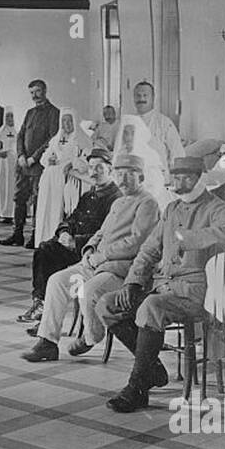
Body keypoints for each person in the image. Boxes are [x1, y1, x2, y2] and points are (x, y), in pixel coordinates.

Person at [96, 155, 225, 412]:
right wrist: (133, 282)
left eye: (187, 177)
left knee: (152, 307)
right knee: (107, 304)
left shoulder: (217, 207)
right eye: (177, 177)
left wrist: (192, 238)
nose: (180, 183)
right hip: (162, 288)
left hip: (195, 293)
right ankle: (151, 368)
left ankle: (137, 388)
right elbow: (149, 250)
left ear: (200, 178)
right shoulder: (172, 209)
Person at [21, 152, 161, 361]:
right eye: (119, 174)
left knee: (88, 291)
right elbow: (101, 233)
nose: (122, 180)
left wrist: (101, 256)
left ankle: (90, 337)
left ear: (140, 177)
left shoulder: (147, 203)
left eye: (128, 175)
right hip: (96, 264)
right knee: (57, 281)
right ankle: (48, 342)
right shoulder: (120, 202)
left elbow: (136, 243)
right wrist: (88, 249)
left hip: (121, 270)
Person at [16, 147, 121, 325]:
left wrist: (76, 242)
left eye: (99, 169)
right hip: (74, 246)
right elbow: (71, 218)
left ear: (110, 170)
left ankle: (49, 315)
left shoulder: (115, 198)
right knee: (45, 249)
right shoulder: (89, 194)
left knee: (54, 266)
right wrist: (64, 232)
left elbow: (107, 235)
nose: (93, 173)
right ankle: (41, 304)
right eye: (91, 168)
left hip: (91, 253)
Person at [0, 79, 60, 248]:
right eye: (32, 92)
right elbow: (20, 135)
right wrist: (20, 155)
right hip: (22, 165)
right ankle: (17, 234)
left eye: (38, 91)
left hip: (38, 166)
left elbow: (52, 139)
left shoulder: (54, 113)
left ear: (45, 91)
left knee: (37, 200)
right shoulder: (29, 112)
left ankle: (35, 235)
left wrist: (34, 157)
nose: (34, 95)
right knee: (19, 198)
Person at [32, 108, 92, 245]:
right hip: (50, 180)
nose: (66, 124)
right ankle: (44, 240)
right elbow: (43, 158)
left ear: (75, 121)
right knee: (47, 210)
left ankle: (59, 241)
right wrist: (48, 159)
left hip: (66, 179)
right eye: (64, 121)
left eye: (70, 120)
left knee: (60, 211)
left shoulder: (81, 139)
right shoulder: (56, 139)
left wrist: (72, 163)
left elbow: (86, 161)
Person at [117, 81, 184, 170]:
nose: (141, 99)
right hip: (133, 174)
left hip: (158, 176)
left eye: (145, 95)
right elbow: (120, 151)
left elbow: (177, 153)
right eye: (138, 95)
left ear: (153, 98)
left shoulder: (165, 123)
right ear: (134, 98)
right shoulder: (128, 122)